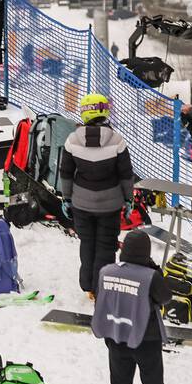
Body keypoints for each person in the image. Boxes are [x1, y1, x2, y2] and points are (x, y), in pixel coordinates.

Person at [83, 230, 170, 384]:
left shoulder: (106, 272)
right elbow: (165, 297)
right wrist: (154, 269)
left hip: (117, 337)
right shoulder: (150, 276)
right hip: (146, 339)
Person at [59, 93, 134, 298]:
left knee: (87, 243)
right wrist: (129, 199)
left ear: (84, 113)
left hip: (81, 204)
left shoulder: (72, 139)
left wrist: (66, 198)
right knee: (106, 245)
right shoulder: (117, 140)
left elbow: (65, 172)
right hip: (110, 204)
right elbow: (126, 174)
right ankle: (103, 287)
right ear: (104, 110)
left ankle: (88, 287)